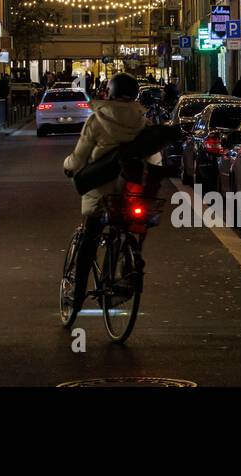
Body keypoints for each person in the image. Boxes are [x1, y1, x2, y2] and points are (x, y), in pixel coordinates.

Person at [62, 73, 180, 319]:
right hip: (130, 192)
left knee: (89, 241)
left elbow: (79, 157)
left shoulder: (96, 120)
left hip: (102, 195)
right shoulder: (142, 122)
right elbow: (152, 156)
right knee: (128, 228)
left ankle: (77, 297)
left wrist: (69, 167)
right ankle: (127, 268)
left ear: (110, 93)